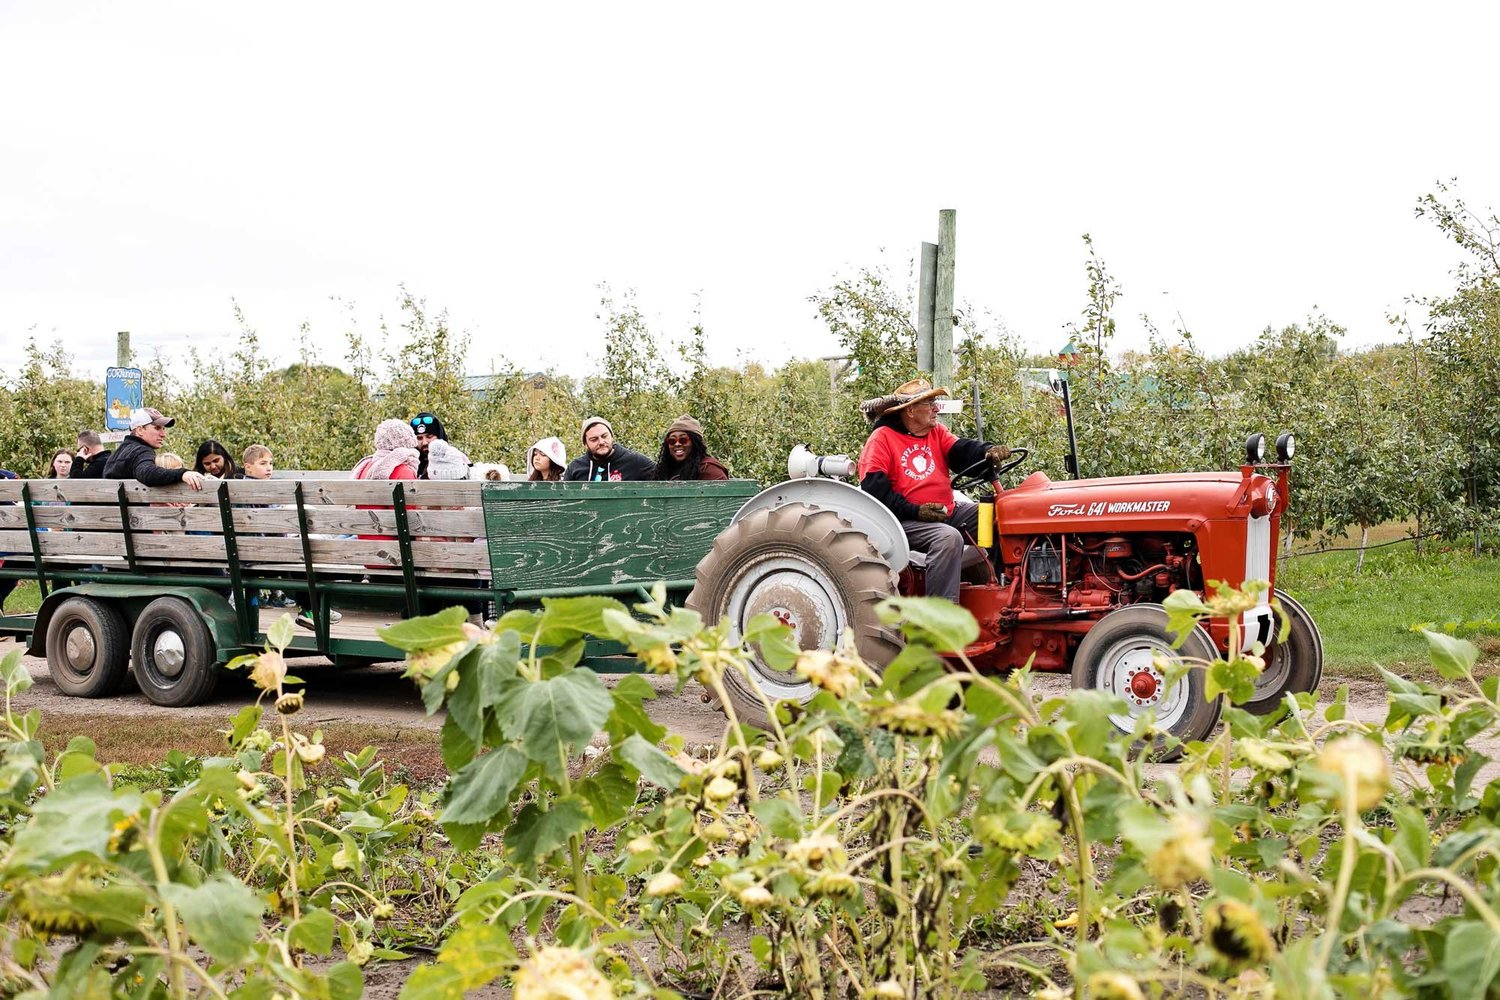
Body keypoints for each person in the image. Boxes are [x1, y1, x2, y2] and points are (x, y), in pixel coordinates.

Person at [856, 378, 1011, 604]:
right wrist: (916, 511)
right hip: (901, 522)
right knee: (947, 538)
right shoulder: (882, 439)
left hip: (944, 512)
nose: (936, 408)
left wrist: (986, 451)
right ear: (910, 410)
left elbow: (961, 451)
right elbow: (874, 493)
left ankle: (1009, 589)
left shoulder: (936, 432)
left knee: (1003, 515)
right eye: (930, 404)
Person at [105, 408, 207, 490]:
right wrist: (182, 473)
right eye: (157, 428)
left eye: (163, 429)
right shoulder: (141, 451)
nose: (163, 434)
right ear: (140, 430)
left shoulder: (118, 453)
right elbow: (147, 473)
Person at [563, 417, 655, 482]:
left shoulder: (635, 461)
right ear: (585, 444)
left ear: (612, 437)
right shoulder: (575, 468)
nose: (601, 442)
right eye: (594, 439)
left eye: (604, 436)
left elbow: (661, 476)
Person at [652, 415, 729, 482]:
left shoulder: (708, 468)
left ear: (695, 443)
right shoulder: (666, 470)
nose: (677, 444)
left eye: (683, 440)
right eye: (672, 441)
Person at [409, 412, 471, 480]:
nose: (424, 442)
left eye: (429, 436)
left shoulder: (456, 459)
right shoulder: (410, 462)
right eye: (419, 438)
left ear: (439, 436)